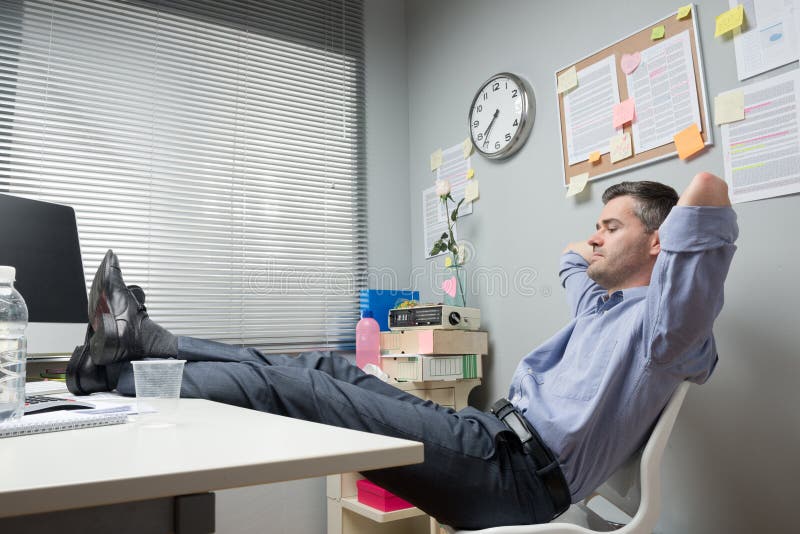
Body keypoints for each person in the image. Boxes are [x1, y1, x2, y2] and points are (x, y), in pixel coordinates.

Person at [66, 171, 737, 530]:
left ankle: (120, 376)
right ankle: (150, 343)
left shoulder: (668, 330)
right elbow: (569, 262)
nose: (591, 238)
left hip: (516, 481)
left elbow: (706, 192)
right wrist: (603, 242)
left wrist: (654, 227)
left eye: (609, 227)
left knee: (302, 396)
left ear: (661, 244)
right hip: (487, 437)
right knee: (327, 366)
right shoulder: (605, 307)